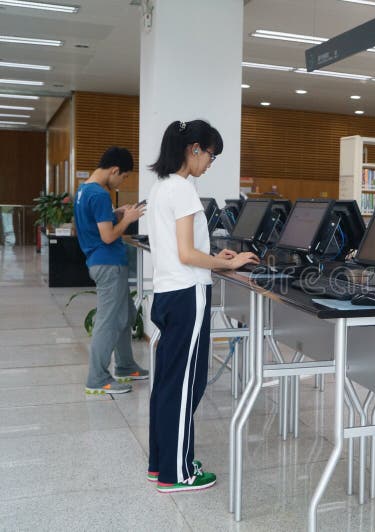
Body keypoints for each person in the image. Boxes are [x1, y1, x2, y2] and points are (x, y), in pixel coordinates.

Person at [146, 120, 258, 493]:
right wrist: (227, 262)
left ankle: (162, 462)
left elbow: (182, 251)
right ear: (194, 149)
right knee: (185, 386)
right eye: (211, 155)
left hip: (167, 292)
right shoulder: (183, 190)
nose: (211, 163)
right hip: (187, 295)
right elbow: (186, 254)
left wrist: (213, 255)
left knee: (167, 381)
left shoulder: (161, 187)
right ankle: (177, 474)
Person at [74, 146, 148, 395]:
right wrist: (128, 220)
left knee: (125, 315)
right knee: (108, 322)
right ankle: (97, 377)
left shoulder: (84, 190)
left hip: (101, 262)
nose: (122, 181)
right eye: (124, 176)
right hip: (108, 263)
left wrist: (115, 214)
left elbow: (94, 222)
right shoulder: (100, 194)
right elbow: (107, 237)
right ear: (114, 170)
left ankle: (126, 365)